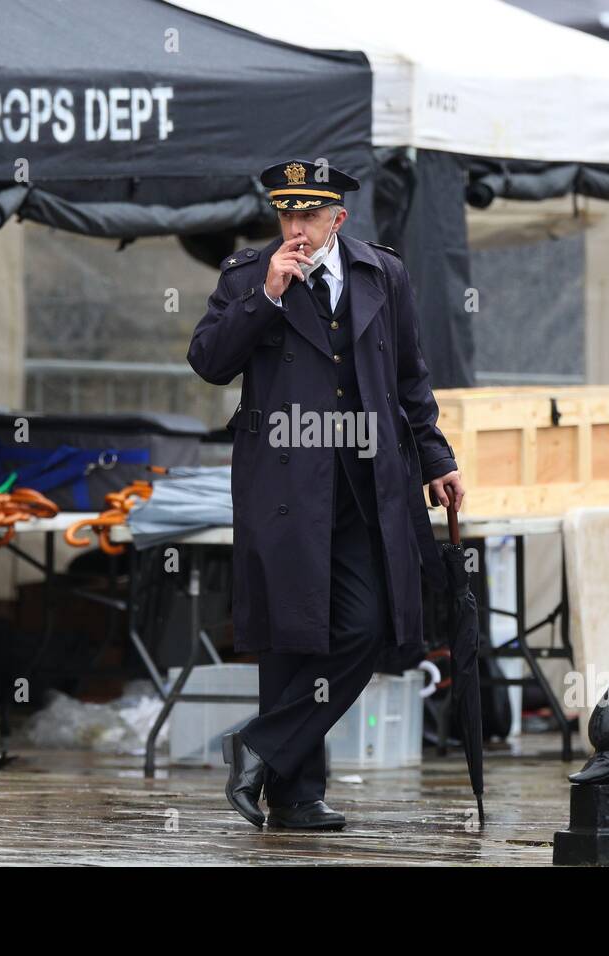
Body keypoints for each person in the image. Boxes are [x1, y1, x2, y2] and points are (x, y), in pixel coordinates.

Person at [187, 159, 465, 829]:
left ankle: (261, 748)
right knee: (291, 633)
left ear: (338, 218)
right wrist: (267, 298)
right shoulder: (249, 275)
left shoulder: (383, 273)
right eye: (286, 214)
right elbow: (208, 362)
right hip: (284, 484)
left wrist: (436, 456)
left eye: (309, 215)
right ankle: (294, 793)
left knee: (367, 627)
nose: (296, 227)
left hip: (368, 482)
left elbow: (410, 378)